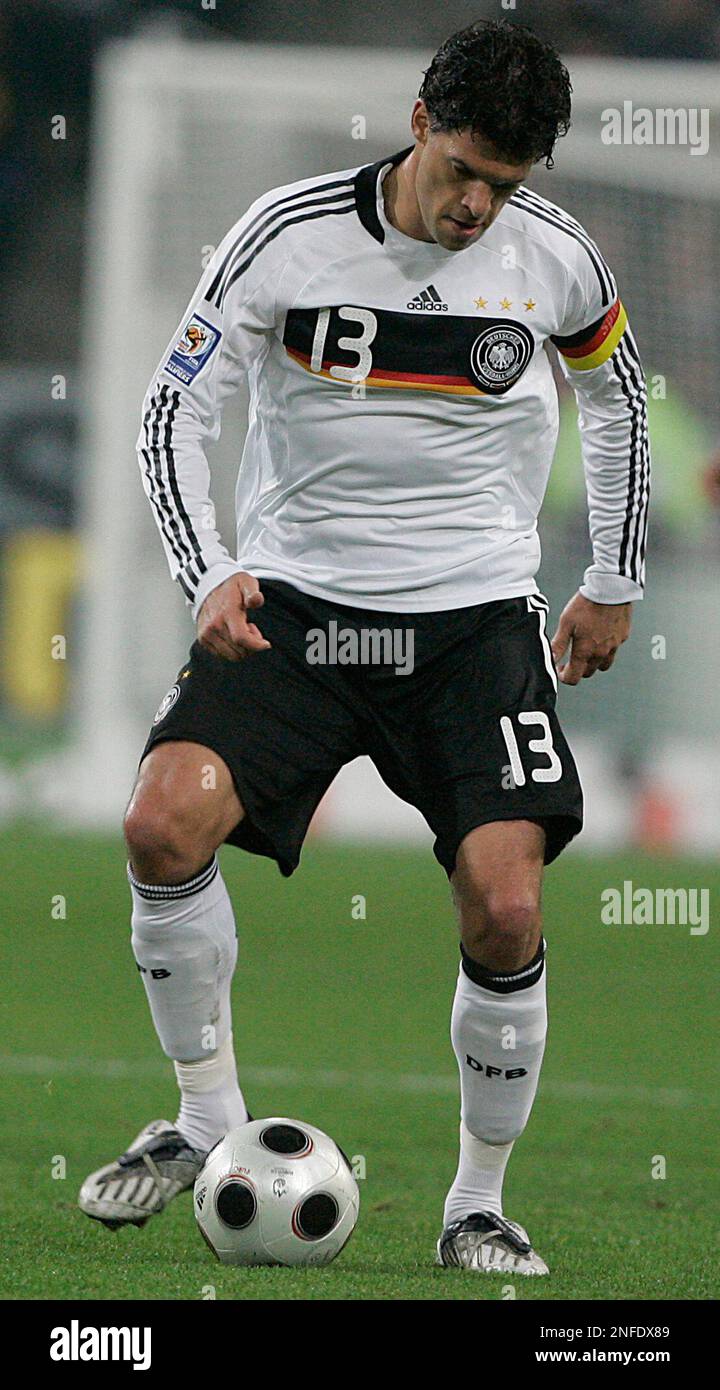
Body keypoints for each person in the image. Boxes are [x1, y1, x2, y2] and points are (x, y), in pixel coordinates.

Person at [78, 19, 649, 1275]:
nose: (478, 204)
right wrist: (209, 567)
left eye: (509, 183)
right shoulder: (286, 236)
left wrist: (612, 575)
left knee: (506, 904)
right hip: (301, 608)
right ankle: (202, 1120)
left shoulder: (553, 259)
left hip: (473, 623)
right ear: (417, 122)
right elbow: (175, 404)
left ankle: (476, 1205)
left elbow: (617, 396)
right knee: (162, 824)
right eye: (464, 170)